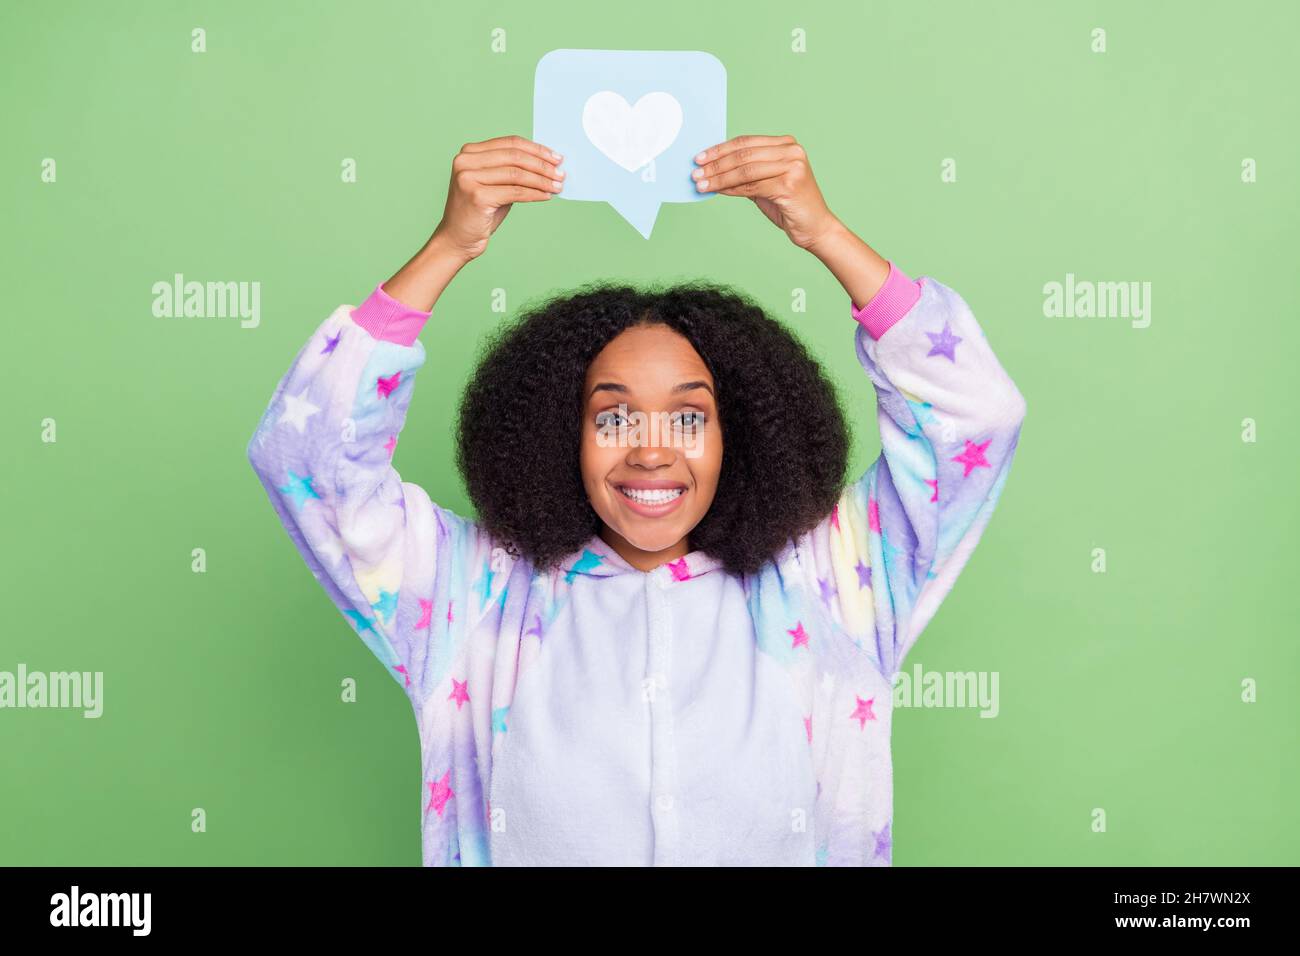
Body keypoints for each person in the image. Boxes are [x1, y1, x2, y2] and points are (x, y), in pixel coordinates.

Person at [247, 134, 1027, 866]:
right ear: (564, 433)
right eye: (613, 415)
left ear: (738, 435)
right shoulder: (473, 597)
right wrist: (450, 247)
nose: (651, 449)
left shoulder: (832, 586)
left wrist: (823, 233)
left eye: (690, 416)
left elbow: (973, 419)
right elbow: (306, 458)